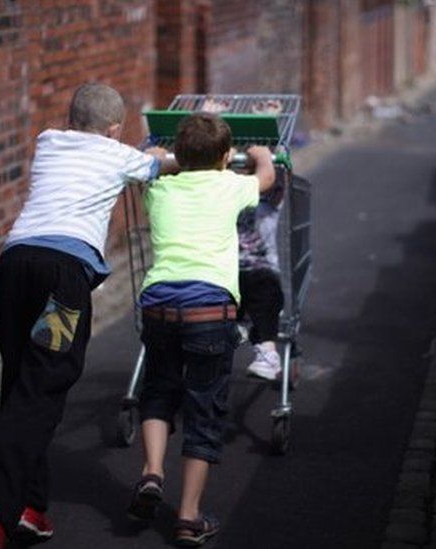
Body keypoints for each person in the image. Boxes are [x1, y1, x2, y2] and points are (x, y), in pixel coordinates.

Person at [0, 83, 174, 549]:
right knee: (43, 388)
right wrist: (163, 154)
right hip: (62, 278)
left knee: (21, 382)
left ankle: (30, 508)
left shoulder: (48, 140)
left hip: (14, 269)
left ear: (70, 118)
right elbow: (162, 164)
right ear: (115, 130)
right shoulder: (120, 156)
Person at [126, 113, 275, 547]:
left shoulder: (160, 189)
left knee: (158, 391)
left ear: (180, 154)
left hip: (158, 305)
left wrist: (161, 159)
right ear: (226, 157)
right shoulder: (230, 185)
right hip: (209, 309)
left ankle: (152, 472)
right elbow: (265, 178)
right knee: (205, 409)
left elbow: (155, 165)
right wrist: (261, 156)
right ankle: (189, 518)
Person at [237, 171, 286, 380]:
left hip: (260, 270)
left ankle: (267, 352)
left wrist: (264, 156)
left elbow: (276, 178)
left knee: (265, 287)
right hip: (226, 271)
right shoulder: (220, 195)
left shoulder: (267, 202)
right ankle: (237, 326)